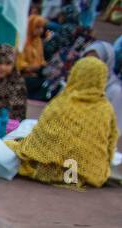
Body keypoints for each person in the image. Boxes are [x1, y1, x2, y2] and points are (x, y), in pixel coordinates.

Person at [14, 56, 118, 188]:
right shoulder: (105, 109)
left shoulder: (62, 103)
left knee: (20, 142)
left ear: (75, 74)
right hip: (90, 174)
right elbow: (111, 142)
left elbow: (41, 138)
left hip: (52, 171)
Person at [17, 13, 48, 98]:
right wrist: (32, 67)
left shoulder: (38, 41)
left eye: (42, 27)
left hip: (36, 75)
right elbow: (19, 63)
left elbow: (41, 59)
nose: (41, 30)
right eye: (37, 27)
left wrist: (44, 67)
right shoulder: (21, 40)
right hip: (22, 76)